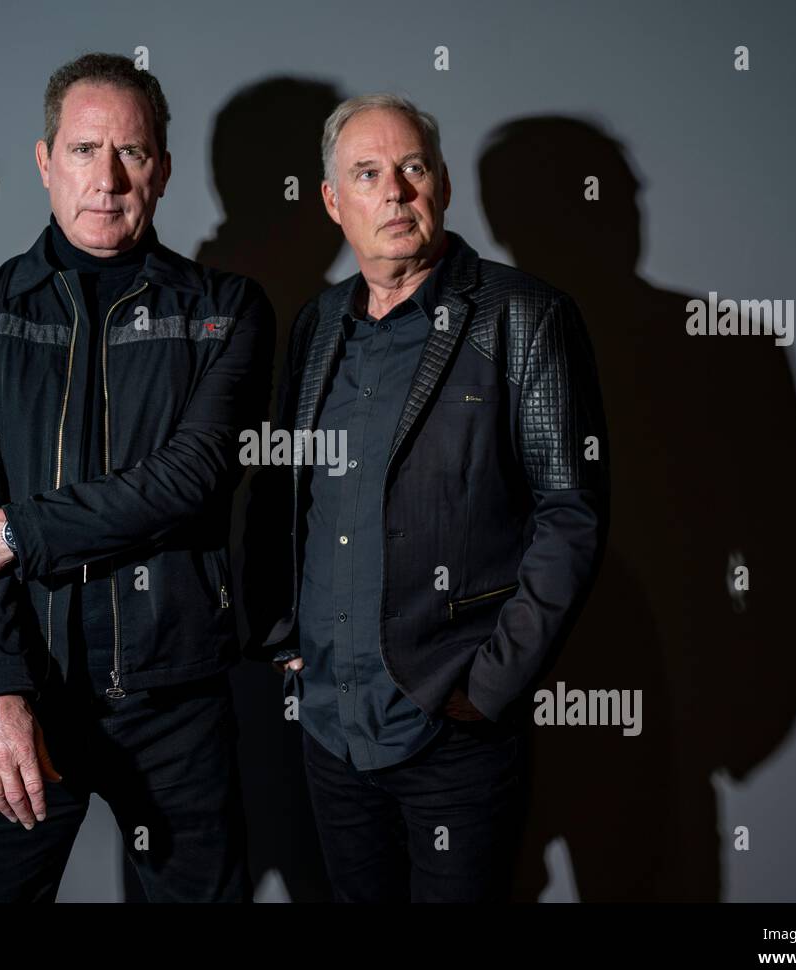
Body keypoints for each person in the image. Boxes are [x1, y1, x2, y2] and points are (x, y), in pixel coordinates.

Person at [0, 52, 273, 902]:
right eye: (83, 151)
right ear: (44, 162)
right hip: (25, 689)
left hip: (178, 696)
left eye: (133, 154)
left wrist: (13, 532)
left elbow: (192, 477)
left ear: (164, 171)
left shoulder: (225, 310)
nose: (107, 180)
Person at [244, 93, 610, 902]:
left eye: (413, 168)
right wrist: (287, 634)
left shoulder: (524, 315)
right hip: (332, 728)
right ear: (334, 202)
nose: (396, 192)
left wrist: (486, 688)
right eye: (368, 174)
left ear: (441, 183)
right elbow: (288, 488)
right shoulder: (317, 324)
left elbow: (570, 515)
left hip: (451, 727)